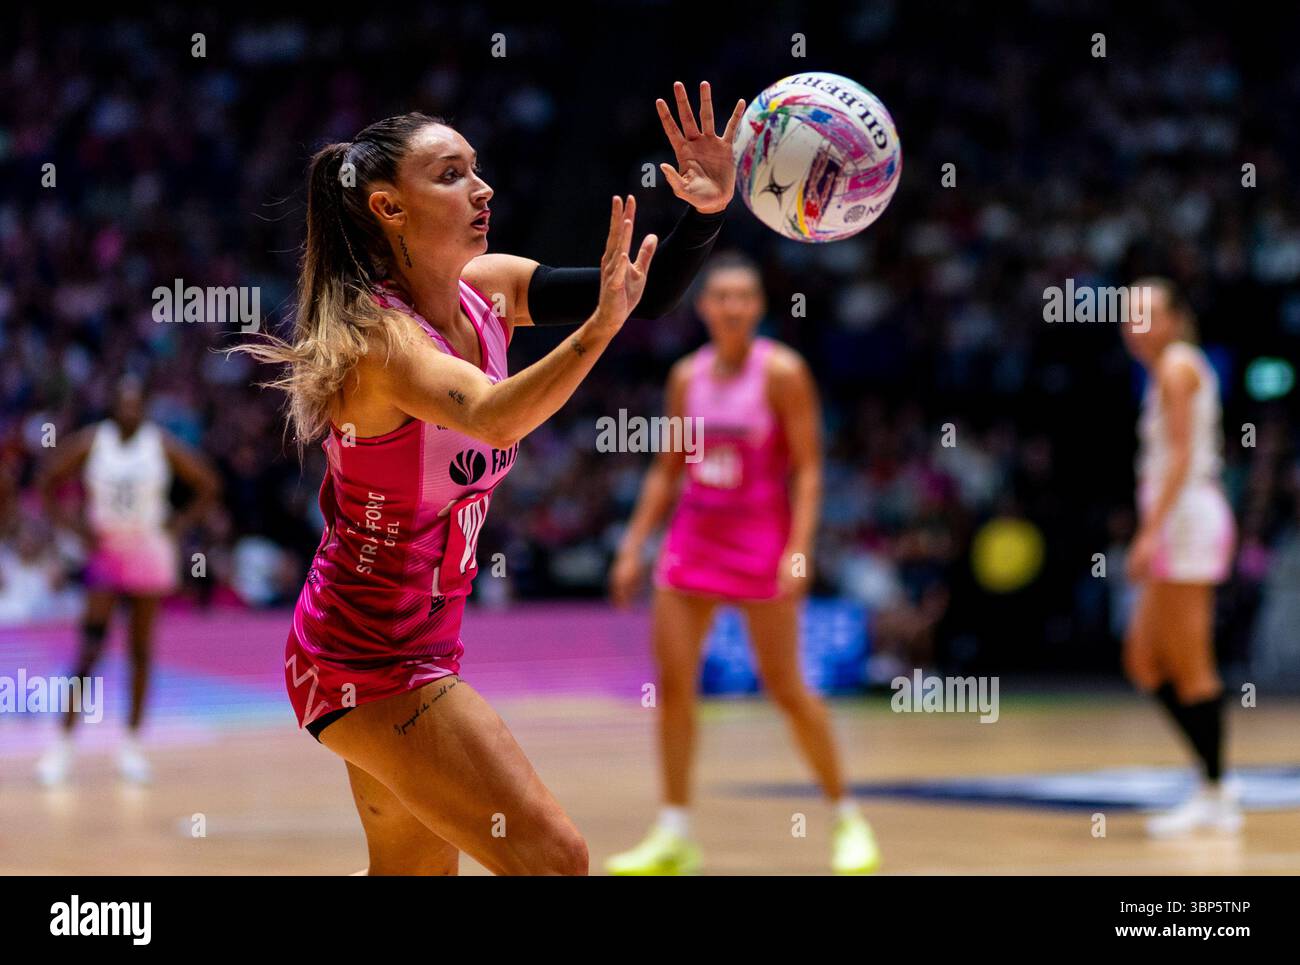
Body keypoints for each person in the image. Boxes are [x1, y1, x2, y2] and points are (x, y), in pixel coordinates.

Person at [233, 83, 743, 874]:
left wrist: (705, 212)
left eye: (477, 169)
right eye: (450, 174)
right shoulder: (380, 341)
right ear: (388, 208)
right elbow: (495, 415)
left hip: (411, 645)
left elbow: (646, 298)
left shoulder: (492, 290)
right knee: (556, 858)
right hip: (365, 660)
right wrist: (599, 328)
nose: (482, 188)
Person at [606, 251, 881, 874]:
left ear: (758, 307)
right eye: (720, 296)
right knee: (675, 689)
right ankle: (675, 831)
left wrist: (801, 547)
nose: (731, 306)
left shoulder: (784, 373)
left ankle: (846, 816)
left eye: (743, 296)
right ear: (704, 308)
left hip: (761, 545)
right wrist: (633, 544)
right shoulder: (685, 377)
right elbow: (667, 469)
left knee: (786, 689)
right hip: (692, 543)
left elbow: (809, 470)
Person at [34, 374, 222, 785]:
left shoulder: (160, 444)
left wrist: (176, 525)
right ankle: (62, 746)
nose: (128, 409)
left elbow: (208, 483)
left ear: (145, 407)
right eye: (122, 402)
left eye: (136, 403)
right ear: (113, 405)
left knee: (141, 651)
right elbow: (47, 481)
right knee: (89, 648)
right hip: (106, 549)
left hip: (148, 551)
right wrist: (74, 528)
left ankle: (132, 746)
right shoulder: (91, 442)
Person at [1121, 277, 1240, 837]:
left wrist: (1149, 533)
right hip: (1177, 521)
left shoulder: (1175, 368)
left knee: (1191, 667)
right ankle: (1212, 780)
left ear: (1173, 319)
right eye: (1127, 315)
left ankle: (1216, 793)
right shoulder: (1166, 371)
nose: (1133, 325)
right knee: (1143, 661)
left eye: (1145, 314)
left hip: (1185, 524)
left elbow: (1183, 457)